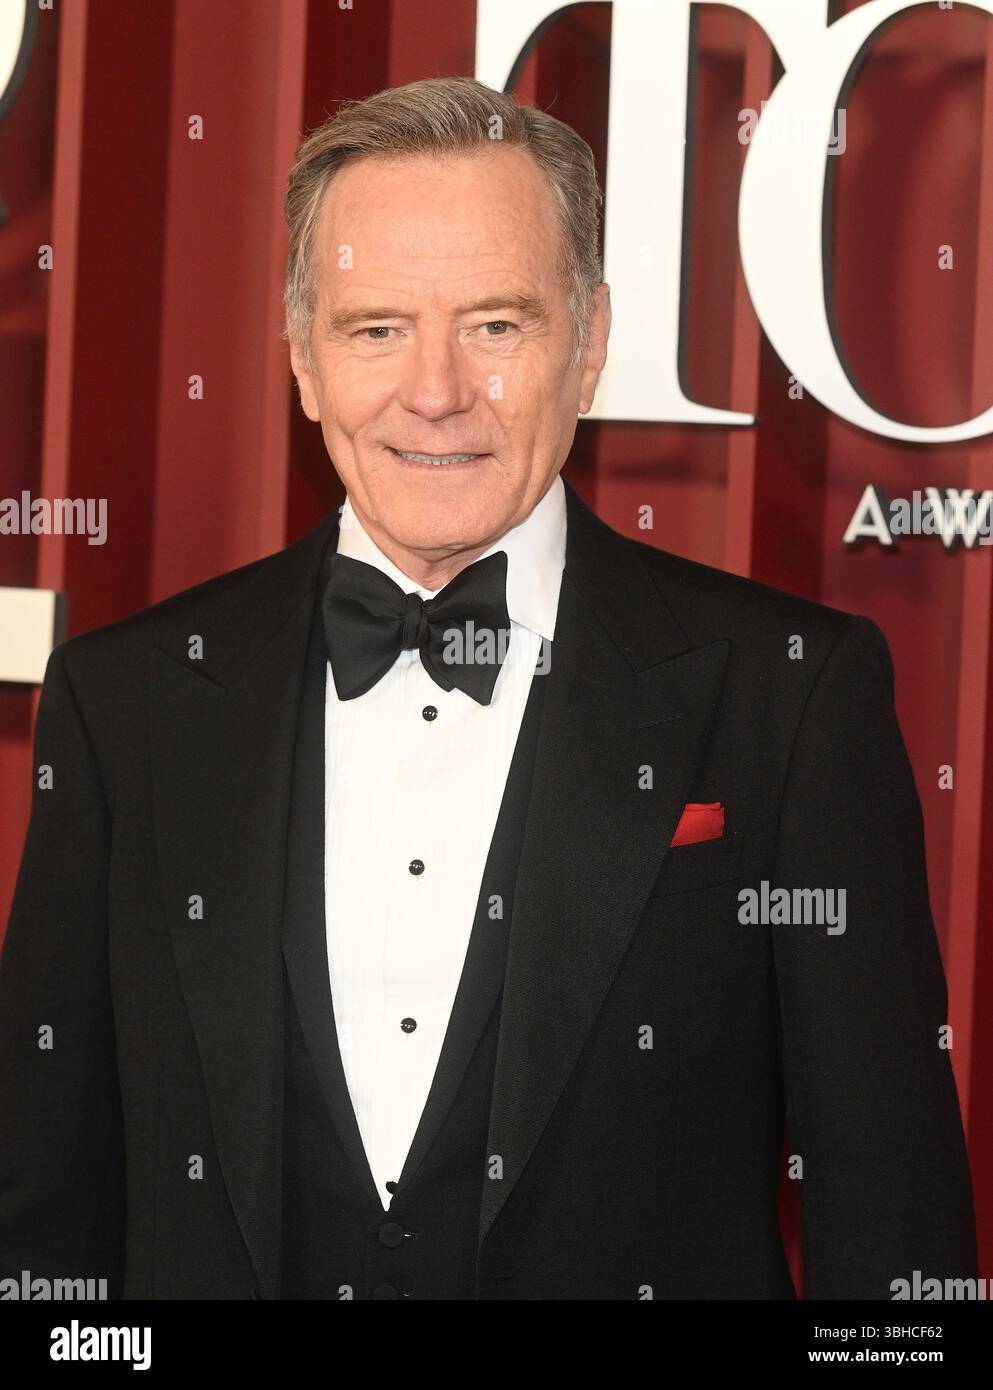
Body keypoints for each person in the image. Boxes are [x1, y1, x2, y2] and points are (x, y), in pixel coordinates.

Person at [0, 76, 976, 1300]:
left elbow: (890, 1229)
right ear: (303, 360)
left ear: (591, 345)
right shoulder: (120, 703)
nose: (436, 391)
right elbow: (44, 1229)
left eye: (497, 325)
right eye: (375, 329)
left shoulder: (791, 698)